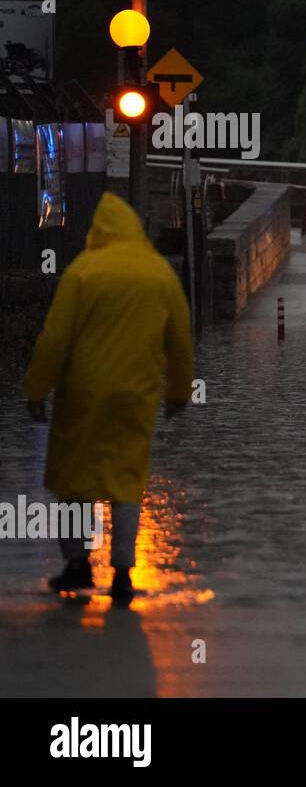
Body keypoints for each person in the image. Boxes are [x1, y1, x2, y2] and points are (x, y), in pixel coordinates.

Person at [23, 193, 193, 602]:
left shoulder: (83, 271)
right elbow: (180, 341)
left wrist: (36, 389)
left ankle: (77, 565)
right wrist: (179, 392)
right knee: (126, 481)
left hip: (81, 396)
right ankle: (121, 573)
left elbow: (55, 339)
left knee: (73, 481)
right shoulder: (159, 273)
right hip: (136, 398)